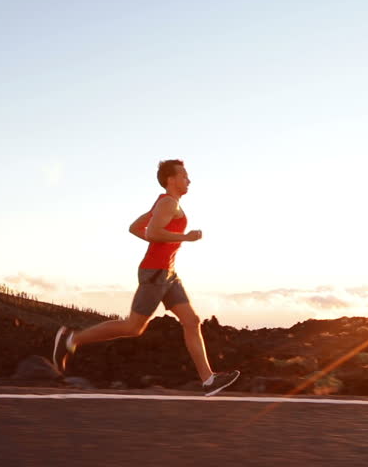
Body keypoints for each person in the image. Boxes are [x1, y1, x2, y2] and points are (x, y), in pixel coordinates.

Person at [52, 159, 240, 396]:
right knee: (133, 327)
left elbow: (135, 228)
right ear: (170, 180)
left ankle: (208, 380)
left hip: (168, 273)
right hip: (156, 272)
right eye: (184, 175)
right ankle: (71, 339)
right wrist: (186, 238)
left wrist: (163, 239)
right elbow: (152, 232)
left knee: (191, 321)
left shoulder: (163, 204)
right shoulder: (168, 203)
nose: (188, 180)